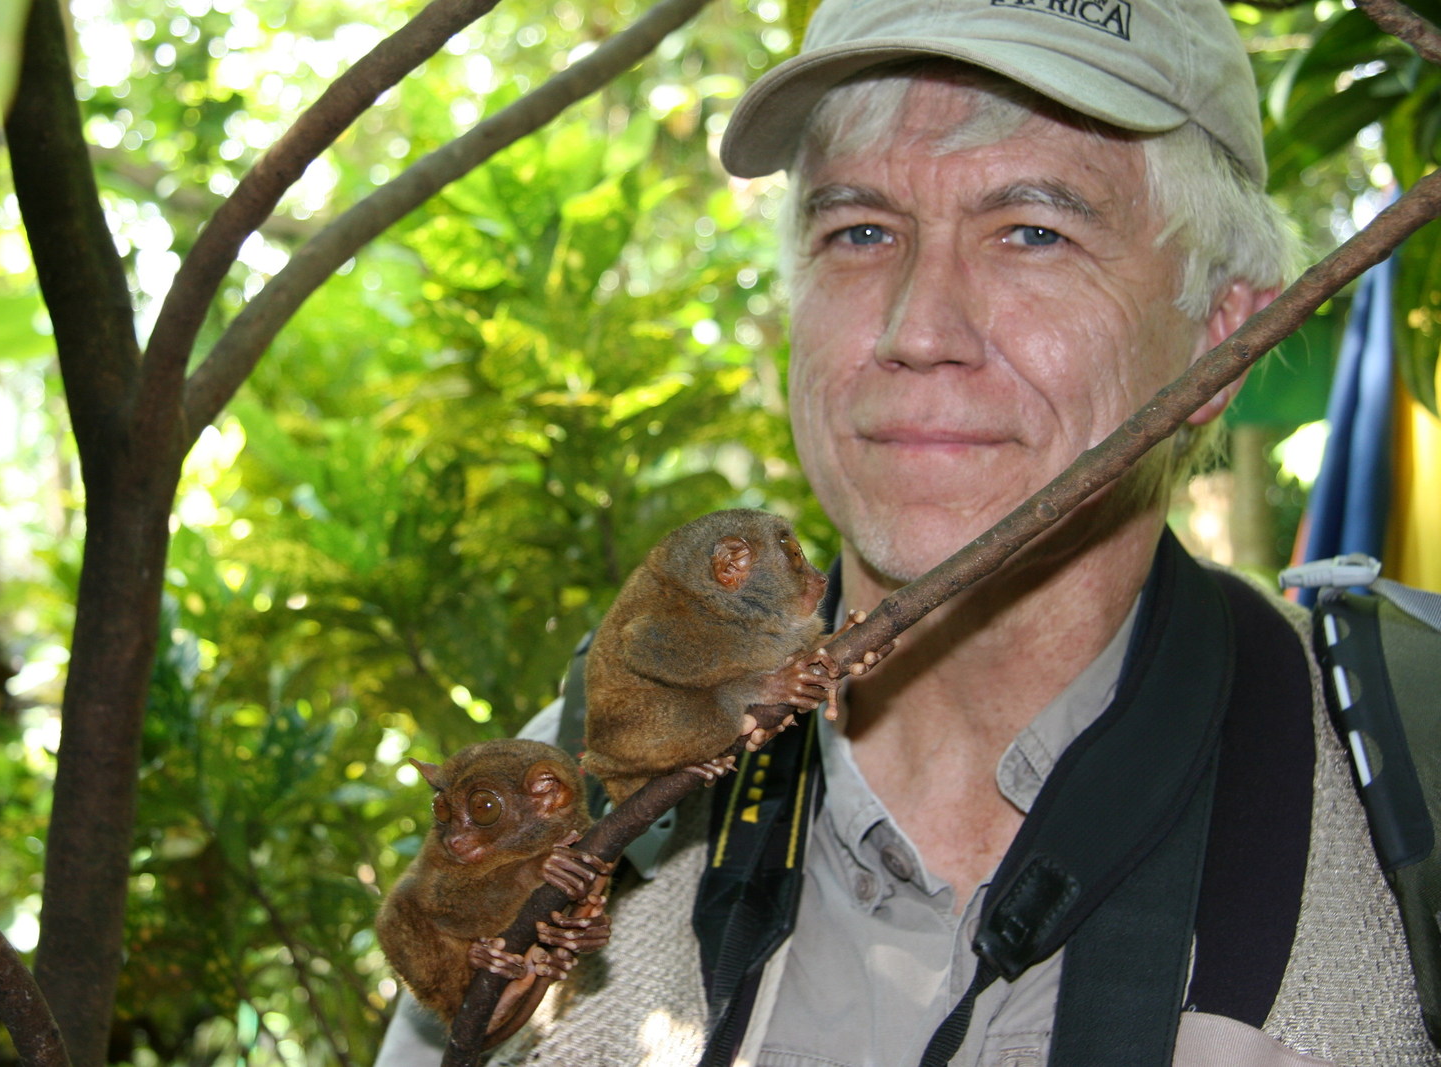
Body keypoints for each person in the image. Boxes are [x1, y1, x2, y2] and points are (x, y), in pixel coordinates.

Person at [374, 0, 1438, 1062]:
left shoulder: (1398, 788)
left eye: (1034, 232)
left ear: (1224, 339)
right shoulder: (578, 799)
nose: (917, 330)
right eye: (861, 231)